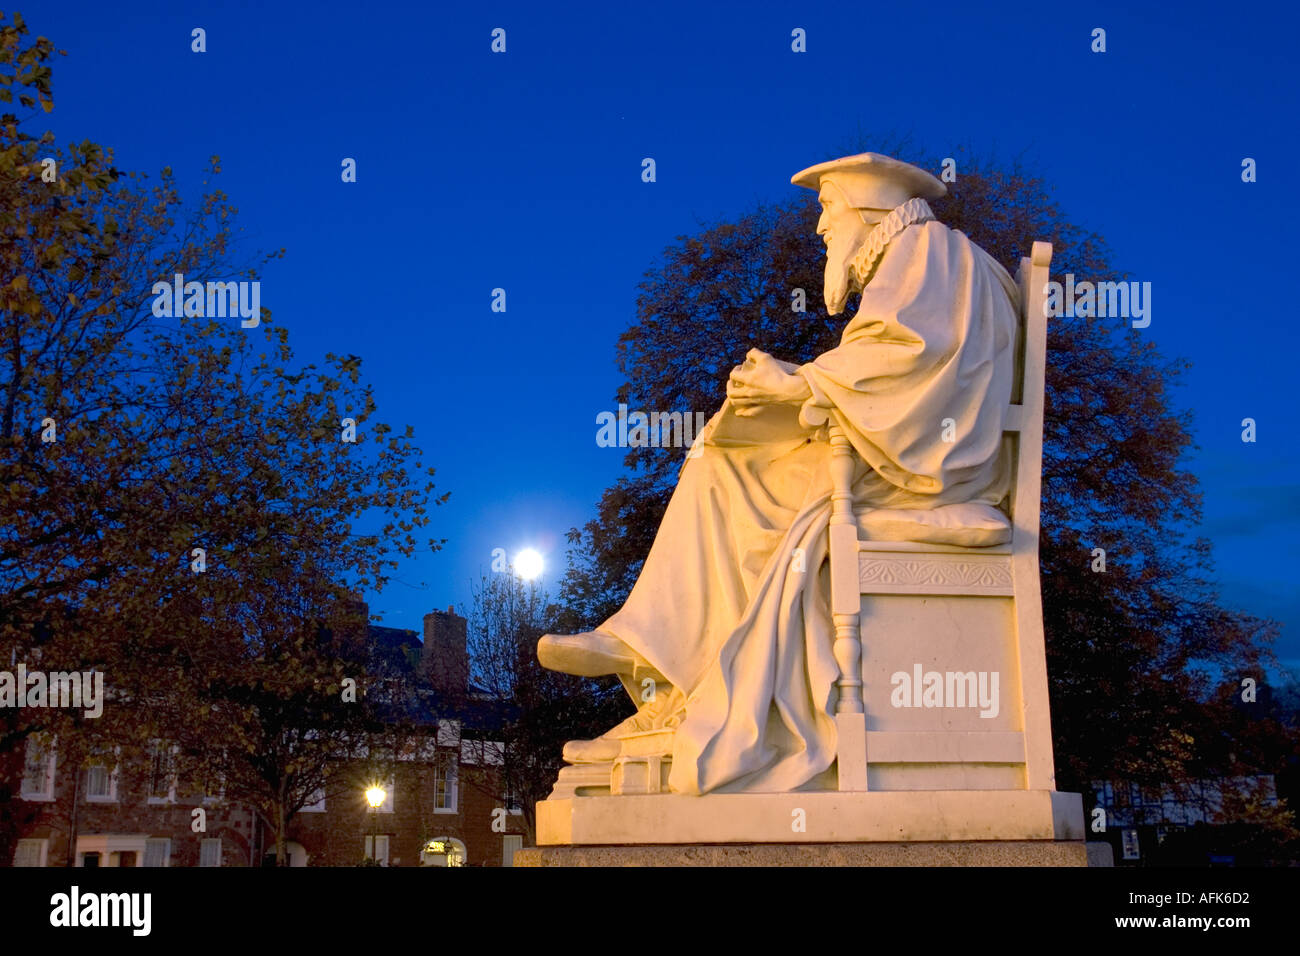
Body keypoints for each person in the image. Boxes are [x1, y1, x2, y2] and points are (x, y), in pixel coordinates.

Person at [539, 153, 1020, 794]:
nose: (822, 232)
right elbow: (901, 368)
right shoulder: (934, 257)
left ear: (867, 212)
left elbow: (908, 368)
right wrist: (786, 391)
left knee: (726, 473)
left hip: (923, 470)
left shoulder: (921, 252)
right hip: (918, 457)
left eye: (827, 216)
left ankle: (664, 667)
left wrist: (793, 383)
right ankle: (669, 671)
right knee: (724, 458)